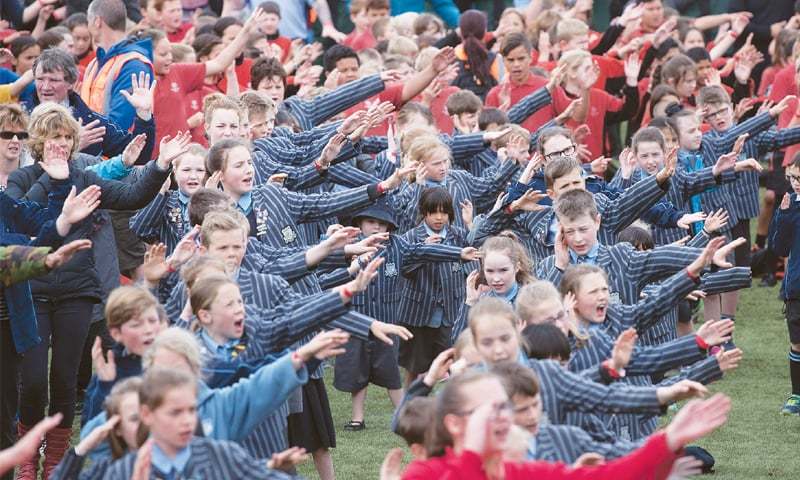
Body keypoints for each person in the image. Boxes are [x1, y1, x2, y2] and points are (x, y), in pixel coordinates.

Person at [401, 369, 732, 479]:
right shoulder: (422, 474)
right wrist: (473, 452)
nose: (503, 416)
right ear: (455, 425)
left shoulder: (519, 472)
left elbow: (607, 476)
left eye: (504, 407)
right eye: (488, 410)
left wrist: (669, 438)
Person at [82, 0, 154, 130]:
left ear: (97, 21)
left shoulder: (133, 65)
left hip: (119, 148)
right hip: (91, 146)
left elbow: (120, 122)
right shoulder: (96, 62)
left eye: (89, 21)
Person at [769, 155, 800, 415]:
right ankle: (796, 396)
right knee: (797, 343)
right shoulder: (789, 204)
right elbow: (778, 248)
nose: (796, 183)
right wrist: (785, 215)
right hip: (796, 288)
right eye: (793, 178)